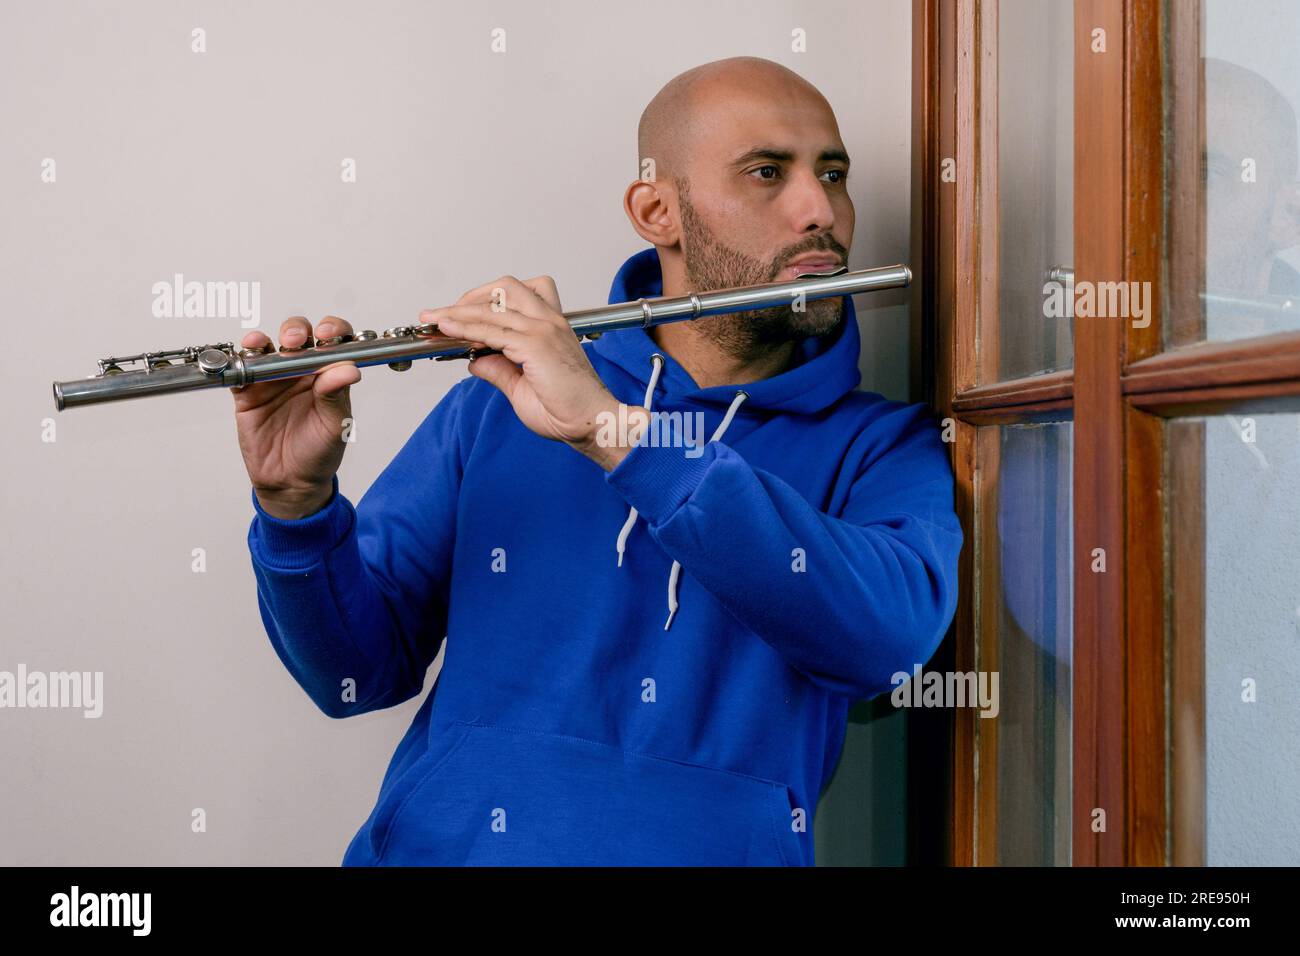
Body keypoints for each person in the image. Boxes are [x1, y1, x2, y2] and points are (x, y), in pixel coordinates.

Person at [235, 56, 962, 866]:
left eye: (833, 174)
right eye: (767, 172)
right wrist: (296, 508)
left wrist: (620, 437)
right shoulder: (499, 402)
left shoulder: (883, 448)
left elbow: (887, 648)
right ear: (658, 211)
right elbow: (354, 676)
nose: (819, 210)